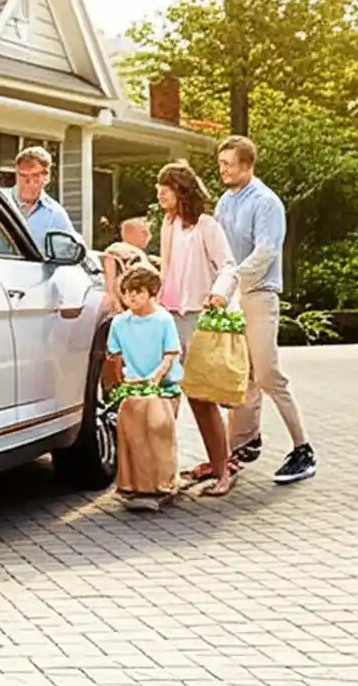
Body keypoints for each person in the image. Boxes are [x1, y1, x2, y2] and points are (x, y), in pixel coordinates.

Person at [214, 136, 316, 484]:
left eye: (229, 163)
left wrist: (230, 280)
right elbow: (219, 250)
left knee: (268, 374)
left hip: (258, 295)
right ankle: (243, 443)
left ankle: (303, 449)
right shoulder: (224, 202)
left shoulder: (266, 202)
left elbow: (266, 251)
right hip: (229, 297)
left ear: (247, 164)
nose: (223, 169)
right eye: (221, 163)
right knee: (240, 373)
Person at [154, 160, 239, 497]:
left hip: (197, 318)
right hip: (169, 317)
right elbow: (167, 272)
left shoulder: (206, 226)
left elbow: (229, 267)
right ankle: (160, 473)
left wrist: (217, 295)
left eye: (167, 187)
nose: (160, 193)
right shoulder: (168, 224)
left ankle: (222, 471)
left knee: (202, 399)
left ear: (182, 190)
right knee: (167, 396)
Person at [107, 264, 183, 511]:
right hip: (134, 386)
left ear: (152, 293)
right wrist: (119, 383)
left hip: (163, 385)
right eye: (127, 292)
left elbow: (170, 354)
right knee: (130, 423)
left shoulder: (163, 319)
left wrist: (156, 377)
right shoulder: (119, 323)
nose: (131, 297)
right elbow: (115, 358)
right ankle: (134, 484)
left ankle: (163, 483)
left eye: (138, 292)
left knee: (156, 423)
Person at [5, 146, 77, 251]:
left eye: (35, 176)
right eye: (23, 175)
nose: (28, 182)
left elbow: (71, 249)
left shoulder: (54, 213)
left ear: (46, 178)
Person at [101, 217, 153, 312]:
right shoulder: (135, 254)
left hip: (110, 296)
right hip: (130, 300)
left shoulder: (112, 248)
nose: (149, 236)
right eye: (145, 232)